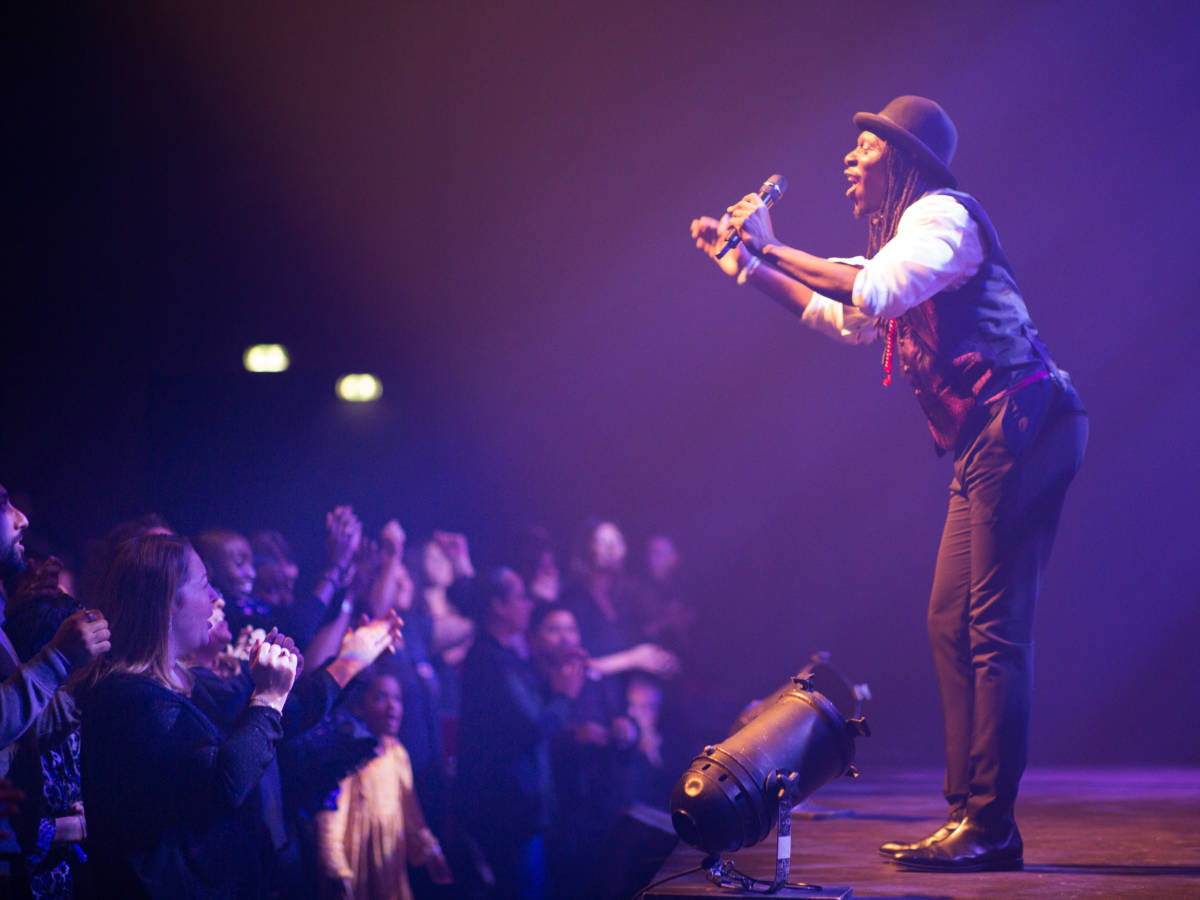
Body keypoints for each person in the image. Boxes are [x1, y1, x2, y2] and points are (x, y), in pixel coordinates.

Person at [691, 95, 1088, 872]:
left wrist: (774, 241)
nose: (849, 158)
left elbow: (870, 292)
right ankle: (967, 816)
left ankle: (990, 825)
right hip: (990, 436)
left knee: (994, 631)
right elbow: (842, 316)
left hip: (1026, 423)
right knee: (948, 622)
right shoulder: (904, 243)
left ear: (903, 161)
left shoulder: (943, 218)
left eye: (865, 147)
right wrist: (746, 261)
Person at [78, 533, 302, 897]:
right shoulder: (132, 700)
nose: (216, 598)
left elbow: (261, 736)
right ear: (168, 603)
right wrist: (269, 697)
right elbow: (224, 784)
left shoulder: (175, 684)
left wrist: (339, 669)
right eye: (204, 584)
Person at [456, 568, 585, 899]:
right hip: (509, 815)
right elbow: (531, 728)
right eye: (521, 597)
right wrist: (564, 696)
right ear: (498, 606)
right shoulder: (491, 662)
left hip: (520, 812)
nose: (529, 604)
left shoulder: (507, 659)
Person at [315, 670, 451, 900]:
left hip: (390, 872)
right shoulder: (352, 759)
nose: (392, 707)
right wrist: (336, 870)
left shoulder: (397, 755)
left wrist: (430, 850)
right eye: (381, 698)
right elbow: (331, 821)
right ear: (359, 706)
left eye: (397, 699)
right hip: (359, 871)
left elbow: (411, 813)